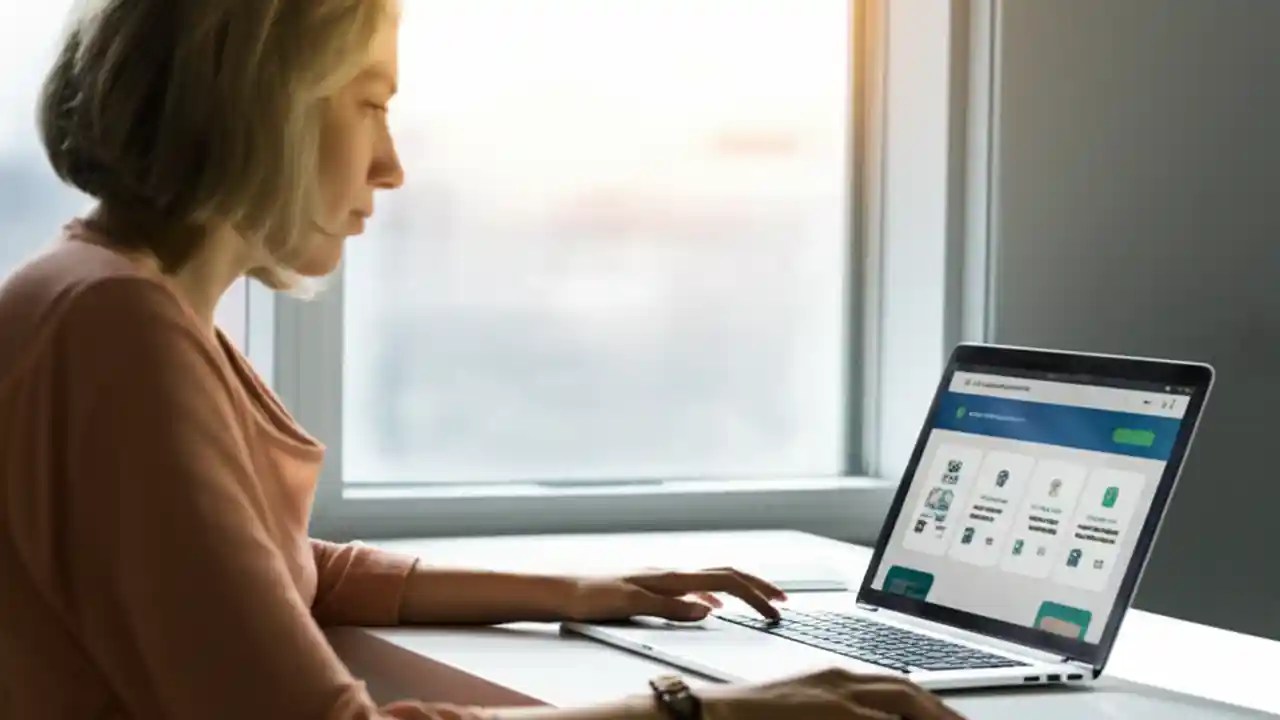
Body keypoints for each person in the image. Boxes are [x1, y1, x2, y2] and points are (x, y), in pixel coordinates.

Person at [0, 1, 965, 719]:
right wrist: (702, 709)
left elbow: (273, 568)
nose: (391, 164)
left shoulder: (92, 292)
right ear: (266, 106)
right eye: (371, 105)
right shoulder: (120, 332)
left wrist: (574, 594)